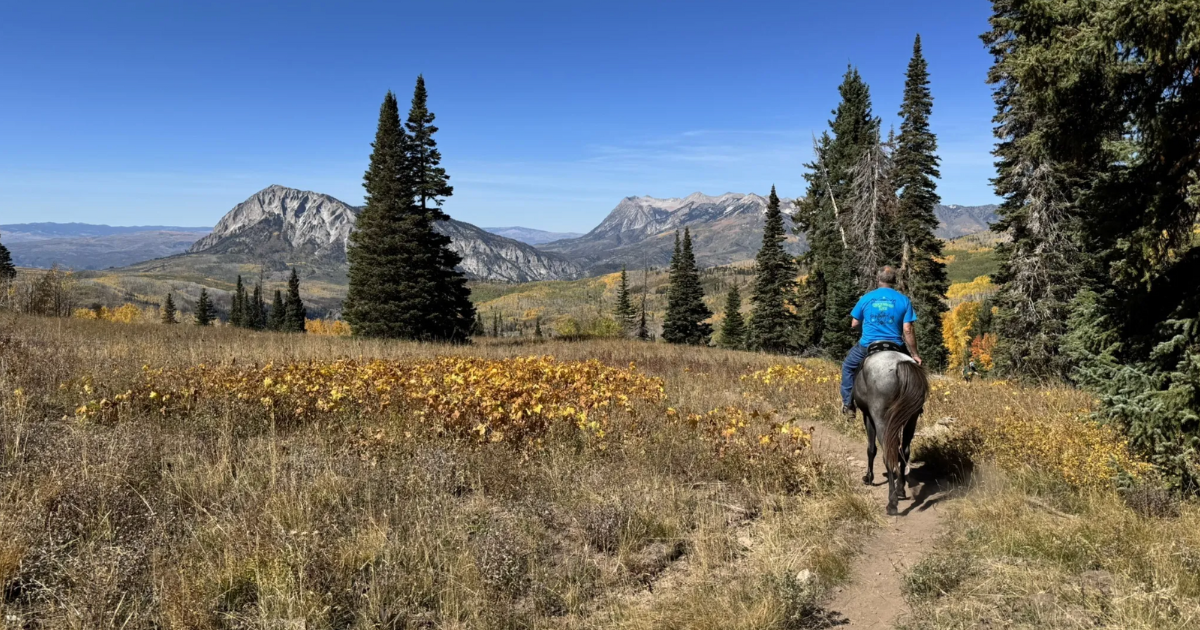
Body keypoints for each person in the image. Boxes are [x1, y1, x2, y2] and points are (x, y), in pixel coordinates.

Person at [841, 266, 922, 414]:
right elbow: (907, 329)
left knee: (848, 367)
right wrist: (915, 354)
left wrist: (864, 332)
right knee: (914, 373)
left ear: (878, 279)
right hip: (896, 345)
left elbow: (854, 323)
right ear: (894, 281)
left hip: (868, 345)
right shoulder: (903, 300)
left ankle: (848, 405)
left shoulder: (866, 298)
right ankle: (917, 407)